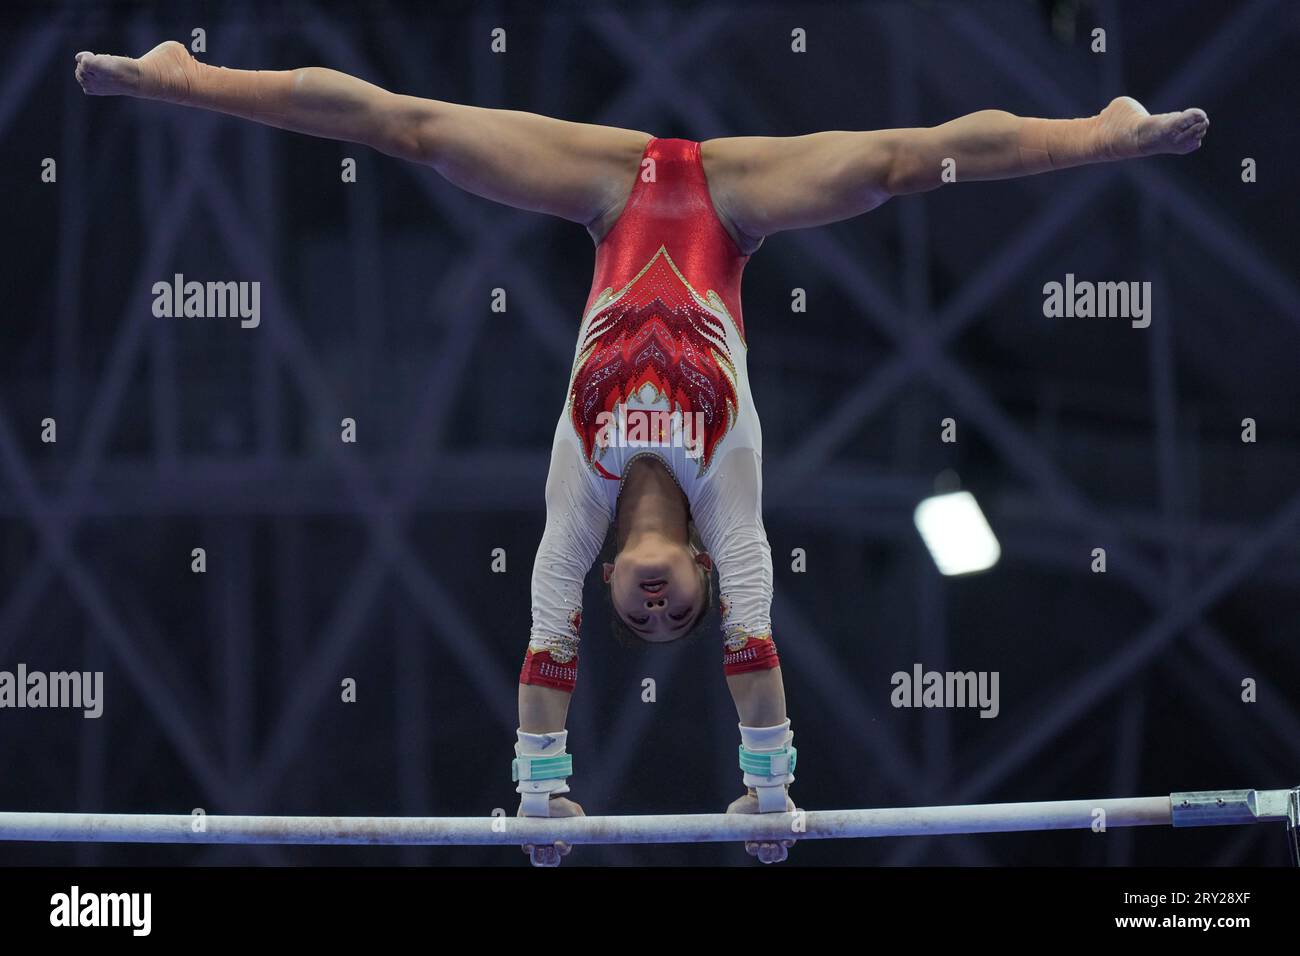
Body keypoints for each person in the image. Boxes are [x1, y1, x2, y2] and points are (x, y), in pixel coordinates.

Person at [75, 40, 1208, 866]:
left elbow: (544, 636)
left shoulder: (581, 491)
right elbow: (754, 646)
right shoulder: (732, 502)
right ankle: (1102, 131)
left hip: (608, 191)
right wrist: (768, 792)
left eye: (641, 612)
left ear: (616, 575)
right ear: (706, 578)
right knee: (901, 164)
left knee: (406, 129)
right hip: (734, 205)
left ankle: (184, 77)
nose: (662, 606)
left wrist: (542, 793)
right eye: (680, 615)